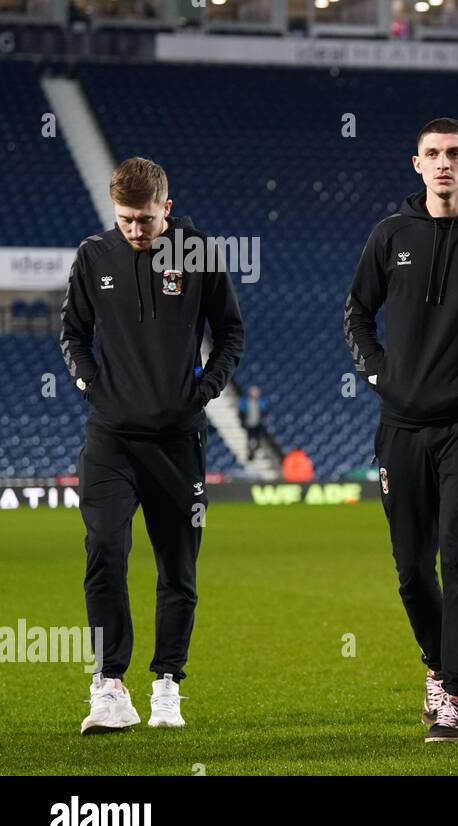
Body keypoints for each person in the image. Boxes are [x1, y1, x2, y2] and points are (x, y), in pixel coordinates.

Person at [343, 117, 458, 743]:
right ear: (415, 165)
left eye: (454, 154)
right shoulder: (390, 235)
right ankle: (436, 666)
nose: (443, 163)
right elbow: (357, 312)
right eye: (432, 154)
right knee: (412, 568)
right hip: (400, 424)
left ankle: (457, 697)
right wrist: (378, 375)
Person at [60, 156, 244, 734]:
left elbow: (231, 331)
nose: (134, 231)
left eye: (143, 219)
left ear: (165, 207)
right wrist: (92, 386)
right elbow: (73, 334)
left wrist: (205, 390)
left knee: (177, 569)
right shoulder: (95, 255)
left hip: (178, 441)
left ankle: (167, 684)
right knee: (105, 553)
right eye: (124, 220)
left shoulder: (199, 252)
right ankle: (109, 685)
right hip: (111, 440)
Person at [239, 384, 268, 461]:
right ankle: (251, 454)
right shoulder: (245, 402)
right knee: (251, 440)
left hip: (257, 424)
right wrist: (243, 421)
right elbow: (241, 413)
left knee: (257, 439)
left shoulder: (260, 402)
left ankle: (255, 451)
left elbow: (264, 412)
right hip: (249, 424)